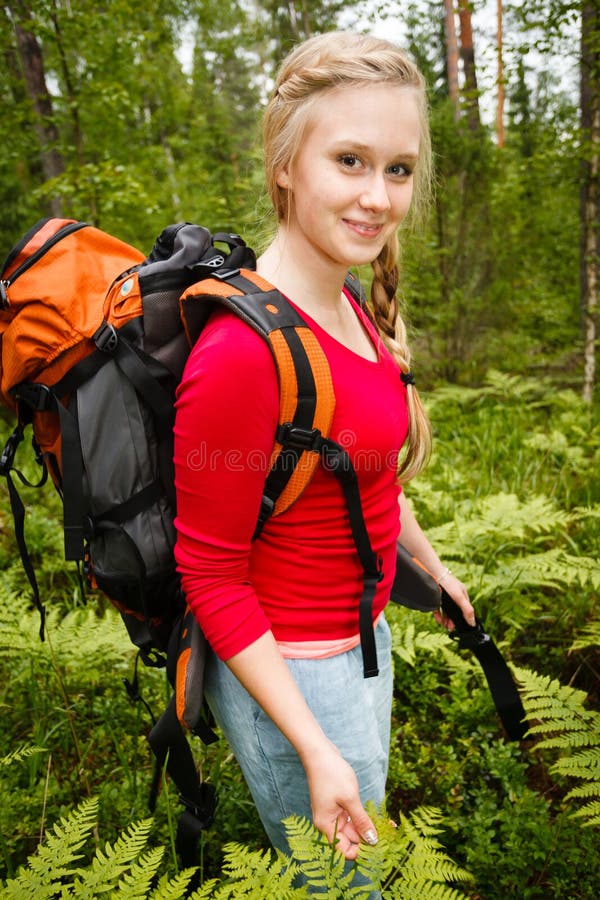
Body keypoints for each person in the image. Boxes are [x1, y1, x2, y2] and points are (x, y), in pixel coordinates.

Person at [173, 29, 475, 886]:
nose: (378, 196)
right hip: (297, 673)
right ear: (285, 165)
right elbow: (213, 575)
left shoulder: (350, 304)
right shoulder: (240, 355)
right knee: (345, 885)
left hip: (362, 639)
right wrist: (312, 746)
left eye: (399, 168)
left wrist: (430, 567)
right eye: (349, 160)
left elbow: (364, 474)